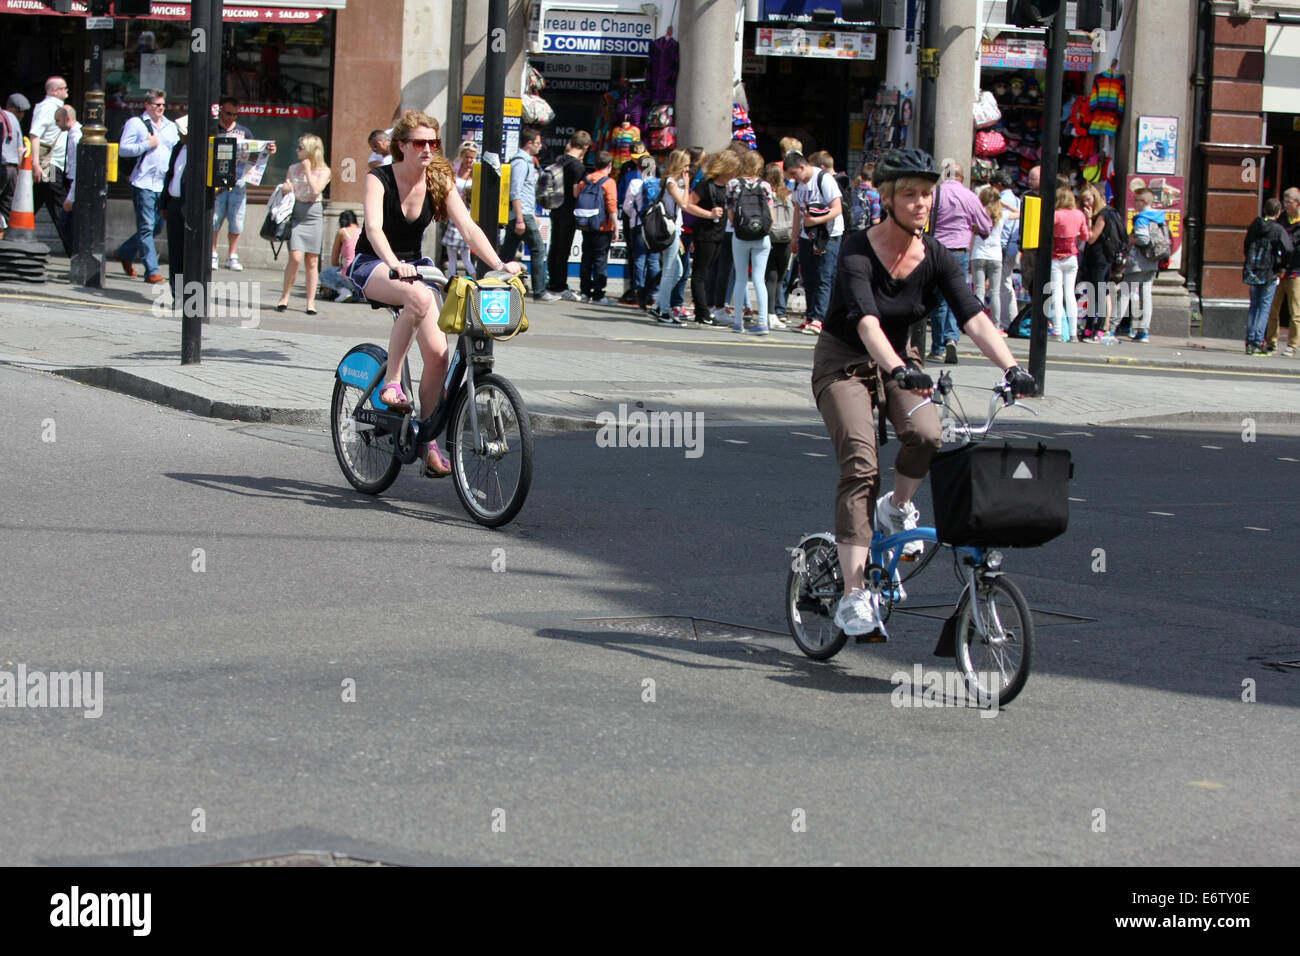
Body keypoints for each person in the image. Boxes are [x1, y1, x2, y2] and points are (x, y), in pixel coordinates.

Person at [810, 148, 1033, 637]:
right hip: (844, 361)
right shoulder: (855, 248)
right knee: (861, 465)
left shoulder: (934, 254)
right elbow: (866, 321)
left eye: (927, 195)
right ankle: (851, 595)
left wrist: (1013, 367)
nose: (921, 203)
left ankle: (895, 509)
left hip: (901, 362)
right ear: (887, 199)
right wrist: (896, 366)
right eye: (909, 194)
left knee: (929, 434)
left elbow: (973, 314)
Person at [346, 110, 521, 477]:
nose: (428, 149)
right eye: (419, 143)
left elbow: (469, 229)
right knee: (420, 298)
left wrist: (500, 265)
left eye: (433, 143)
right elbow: (374, 229)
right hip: (375, 262)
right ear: (402, 147)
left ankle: (426, 441)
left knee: (440, 358)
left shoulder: (439, 179)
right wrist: (395, 263)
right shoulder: (379, 178)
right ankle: (392, 382)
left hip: (416, 266)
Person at [925, 159, 991, 362]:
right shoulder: (969, 196)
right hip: (960, 253)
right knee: (956, 297)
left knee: (938, 301)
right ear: (962, 178)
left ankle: (937, 348)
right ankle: (952, 339)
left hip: (936, 250)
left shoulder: (934, 194)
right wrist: (976, 229)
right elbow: (986, 227)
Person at [114, 90, 179, 284]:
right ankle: (151, 271)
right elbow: (124, 149)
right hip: (143, 182)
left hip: (162, 184)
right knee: (146, 226)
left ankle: (125, 252)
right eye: (157, 104)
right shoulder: (136, 123)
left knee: (156, 226)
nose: (160, 108)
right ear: (147, 105)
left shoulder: (170, 126)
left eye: (163, 105)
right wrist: (146, 144)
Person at [649, 149, 719, 325]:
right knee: (670, 270)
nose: (688, 170)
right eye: (686, 166)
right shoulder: (671, 182)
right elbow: (684, 203)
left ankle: (660, 305)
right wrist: (687, 185)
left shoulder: (674, 182)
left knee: (678, 270)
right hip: (670, 228)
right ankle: (664, 310)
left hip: (675, 229)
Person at [211, 97, 276, 271]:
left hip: (238, 181)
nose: (231, 117)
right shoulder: (214, 129)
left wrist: (268, 150)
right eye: (228, 113)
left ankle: (232, 255)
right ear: (221, 111)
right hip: (218, 181)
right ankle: (213, 253)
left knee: (236, 220)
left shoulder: (243, 131)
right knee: (214, 219)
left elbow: (256, 151)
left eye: (235, 114)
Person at [788, 150, 844, 335]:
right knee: (809, 277)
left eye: (795, 173)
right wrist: (795, 236)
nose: (795, 178)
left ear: (803, 167)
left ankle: (820, 318)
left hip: (827, 235)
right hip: (807, 235)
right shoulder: (799, 185)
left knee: (823, 277)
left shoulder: (824, 179)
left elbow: (837, 209)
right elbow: (797, 211)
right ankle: (810, 316)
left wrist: (816, 221)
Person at [274, 134, 331, 314]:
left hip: (314, 216)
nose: (297, 150)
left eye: (301, 148)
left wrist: (307, 171)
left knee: (312, 261)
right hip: (297, 215)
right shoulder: (292, 168)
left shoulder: (324, 171)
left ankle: (310, 302)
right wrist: (285, 188)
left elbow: (316, 190)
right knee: (295, 258)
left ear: (311, 151)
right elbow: (286, 188)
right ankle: (284, 297)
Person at [501, 127, 554, 301]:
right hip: (521, 215)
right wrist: (520, 218)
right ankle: (539, 290)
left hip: (523, 214)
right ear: (529, 143)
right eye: (538, 143)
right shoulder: (521, 163)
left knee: (507, 252)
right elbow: (515, 192)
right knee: (538, 249)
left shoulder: (526, 162)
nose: (540, 146)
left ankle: (496, 280)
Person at [725, 148, 774, 335]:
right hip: (762, 237)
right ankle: (762, 322)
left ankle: (738, 322)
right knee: (759, 280)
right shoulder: (765, 186)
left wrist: (740, 227)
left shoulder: (733, 184)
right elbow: (771, 216)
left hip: (740, 235)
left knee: (740, 279)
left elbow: (730, 213)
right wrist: (762, 230)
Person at [686, 150, 733, 325]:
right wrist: (708, 213)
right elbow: (688, 204)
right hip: (705, 233)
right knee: (700, 274)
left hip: (719, 234)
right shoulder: (707, 184)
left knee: (708, 273)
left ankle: (706, 309)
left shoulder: (728, 186)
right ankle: (702, 312)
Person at [1243, 197, 1293, 355]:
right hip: (1270, 272)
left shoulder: (1254, 225)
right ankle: (1258, 341)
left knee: (1254, 306)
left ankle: (1249, 342)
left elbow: (1246, 245)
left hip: (1253, 271)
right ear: (1278, 213)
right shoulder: (1278, 229)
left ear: (1265, 210)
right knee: (1264, 307)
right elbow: (1289, 249)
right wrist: (1282, 267)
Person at [546, 130, 591, 301]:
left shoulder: (559, 160)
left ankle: (553, 282)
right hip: (568, 210)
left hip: (555, 207)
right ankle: (560, 285)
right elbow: (575, 191)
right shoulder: (577, 166)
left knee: (555, 246)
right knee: (564, 249)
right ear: (585, 147)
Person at [1117, 187, 1165, 343]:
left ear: (1143, 202)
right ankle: (1143, 331)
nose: (1134, 203)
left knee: (1124, 293)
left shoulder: (1142, 218)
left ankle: (1110, 327)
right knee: (1146, 296)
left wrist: (1131, 240)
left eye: (1136, 200)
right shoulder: (1159, 217)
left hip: (1138, 262)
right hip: (1152, 262)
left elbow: (1143, 240)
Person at [30, 76, 71, 254]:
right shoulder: (48, 108)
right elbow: (35, 134)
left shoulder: (55, 108)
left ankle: (7, 232)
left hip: (52, 165)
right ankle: (75, 253)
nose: (67, 91)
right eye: (64, 88)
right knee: (60, 208)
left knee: (30, 205)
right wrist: (36, 164)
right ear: (55, 91)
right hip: (49, 165)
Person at [1079, 183, 1125, 341]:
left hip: (1100, 258)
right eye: (1083, 200)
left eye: (1088, 199)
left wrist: (1088, 220)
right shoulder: (1109, 212)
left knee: (1098, 293)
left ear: (1095, 197)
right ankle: (1090, 328)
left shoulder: (1103, 215)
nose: (1086, 203)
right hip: (1101, 258)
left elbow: (1091, 238)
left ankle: (1098, 330)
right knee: (1097, 292)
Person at [577, 150, 620, 305]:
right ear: (609, 165)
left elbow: (577, 194)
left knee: (586, 258)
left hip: (587, 225)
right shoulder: (609, 182)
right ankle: (598, 294)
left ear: (595, 165)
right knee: (600, 260)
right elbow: (611, 205)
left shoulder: (586, 180)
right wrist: (616, 226)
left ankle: (585, 292)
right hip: (603, 227)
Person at [1049, 185, 1090, 343]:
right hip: (1072, 257)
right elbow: (1086, 236)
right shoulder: (1079, 214)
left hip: (1056, 258)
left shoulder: (1056, 215)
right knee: (1070, 294)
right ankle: (1074, 333)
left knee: (1057, 294)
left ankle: (1057, 331)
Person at [1264, 188, 1300, 355]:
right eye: (1284, 202)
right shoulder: (1282, 220)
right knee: (1273, 308)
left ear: (1297, 203)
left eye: (1289, 202)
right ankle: (1272, 341)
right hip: (1279, 272)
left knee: (1295, 311)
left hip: (1295, 272)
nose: (1286, 206)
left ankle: (1293, 345)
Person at [970, 185, 1005, 334]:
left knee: (979, 290)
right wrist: (1003, 203)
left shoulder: (978, 213)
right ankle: (996, 326)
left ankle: (978, 324)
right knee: (995, 292)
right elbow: (1019, 212)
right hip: (996, 256)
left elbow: (972, 237)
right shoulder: (1002, 214)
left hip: (979, 254)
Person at [764, 162, 794, 330]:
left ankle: (769, 312)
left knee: (770, 276)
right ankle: (775, 312)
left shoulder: (765, 193)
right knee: (780, 278)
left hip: (769, 237)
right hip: (786, 238)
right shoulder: (789, 194)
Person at [440, 141, 477, 277]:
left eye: (472, 157)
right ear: (462, 156)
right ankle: (451, 283)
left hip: (467, 214)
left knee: (466, 256)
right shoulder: (455, 169)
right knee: (452, 255)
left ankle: (475, 282)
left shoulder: (476, 172)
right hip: (453, 214)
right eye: (467, 157)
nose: (469, 160)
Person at [162, 114, 188, 299]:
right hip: (174, 203)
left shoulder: (203, 150)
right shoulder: (178, 147)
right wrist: (164, 203)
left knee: (190, 253)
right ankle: (176, 295)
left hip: (190, 205)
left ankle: (190, 295)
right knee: (175, 251)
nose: (180, 135)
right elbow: (170, 174)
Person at [0, 94, 30, 240]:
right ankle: (5, 237)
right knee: (7, 203)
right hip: (12, 167)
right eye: (19, 111)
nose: (21, 115)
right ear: (9, 108)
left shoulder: (6, 117)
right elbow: (20, 149)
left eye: (22, 112)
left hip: (2, 164)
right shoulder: (13, 119)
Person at [319, 209, 362, 302]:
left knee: (324, 274)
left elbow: (334, 260)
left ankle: (343, 290)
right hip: (364, 277)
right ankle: (356, 293)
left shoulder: (343, 232)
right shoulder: (363, 232)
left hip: (350, 275)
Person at [57, 105, 82, 244]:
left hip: (76, 186)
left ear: (67, 118)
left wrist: (71, 197)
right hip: (73, 184)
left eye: (58, 120)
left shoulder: (76, 137)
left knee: (65, 225)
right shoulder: (73, 134)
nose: (56, 124)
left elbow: (79, 167)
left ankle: (75, 254)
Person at [848, 161, 881, 231]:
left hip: (851, 228)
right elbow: (875, 220)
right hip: (866, 230)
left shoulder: (853, 189)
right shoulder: (874, 195)